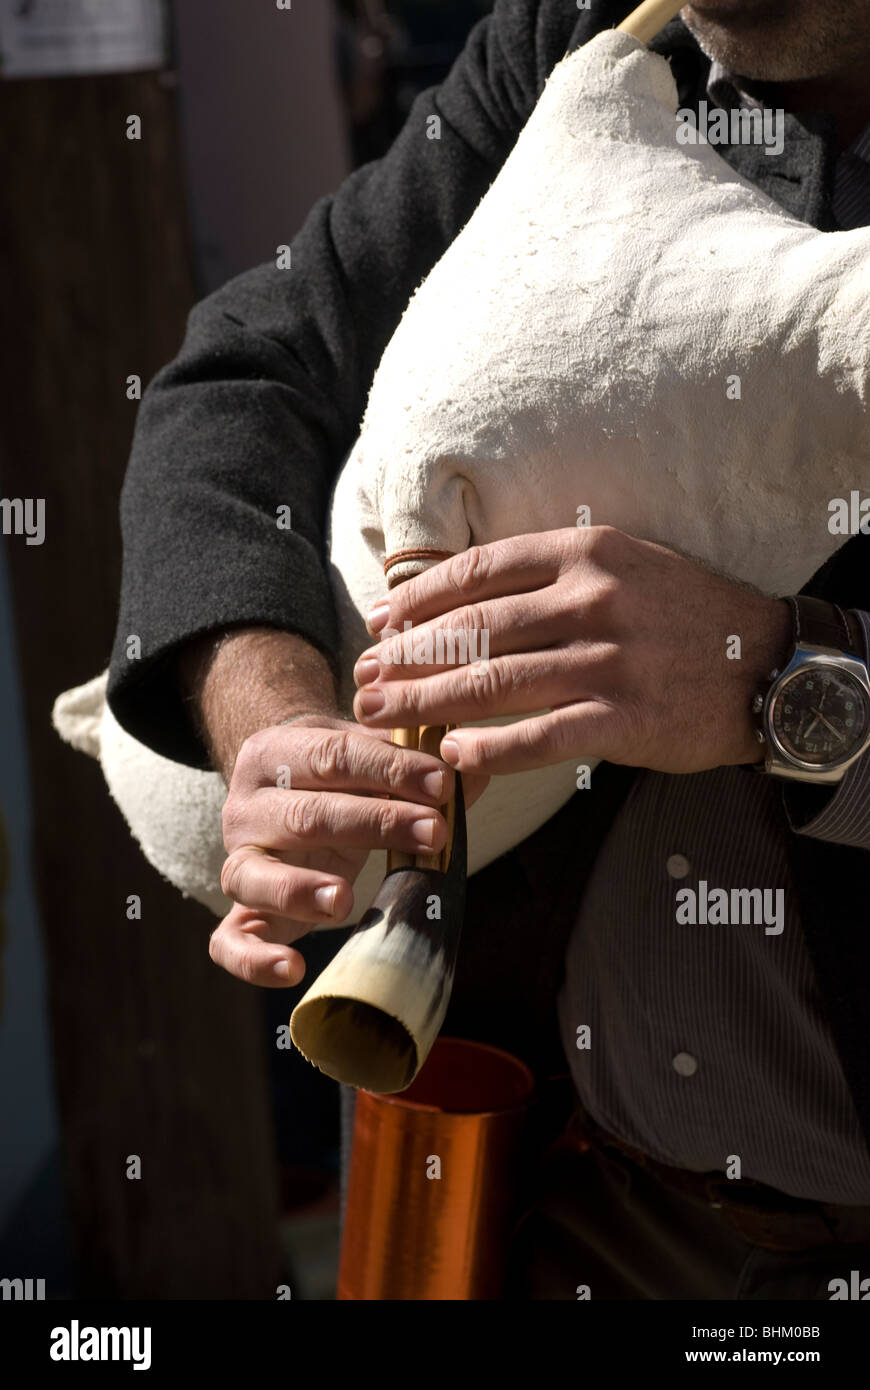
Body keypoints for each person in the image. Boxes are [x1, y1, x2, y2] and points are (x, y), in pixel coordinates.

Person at [107, 0, 870, 1299]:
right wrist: (272, 714)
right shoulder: (584, 42)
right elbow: (252, 367)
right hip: (527, 1188)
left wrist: (790, 683)